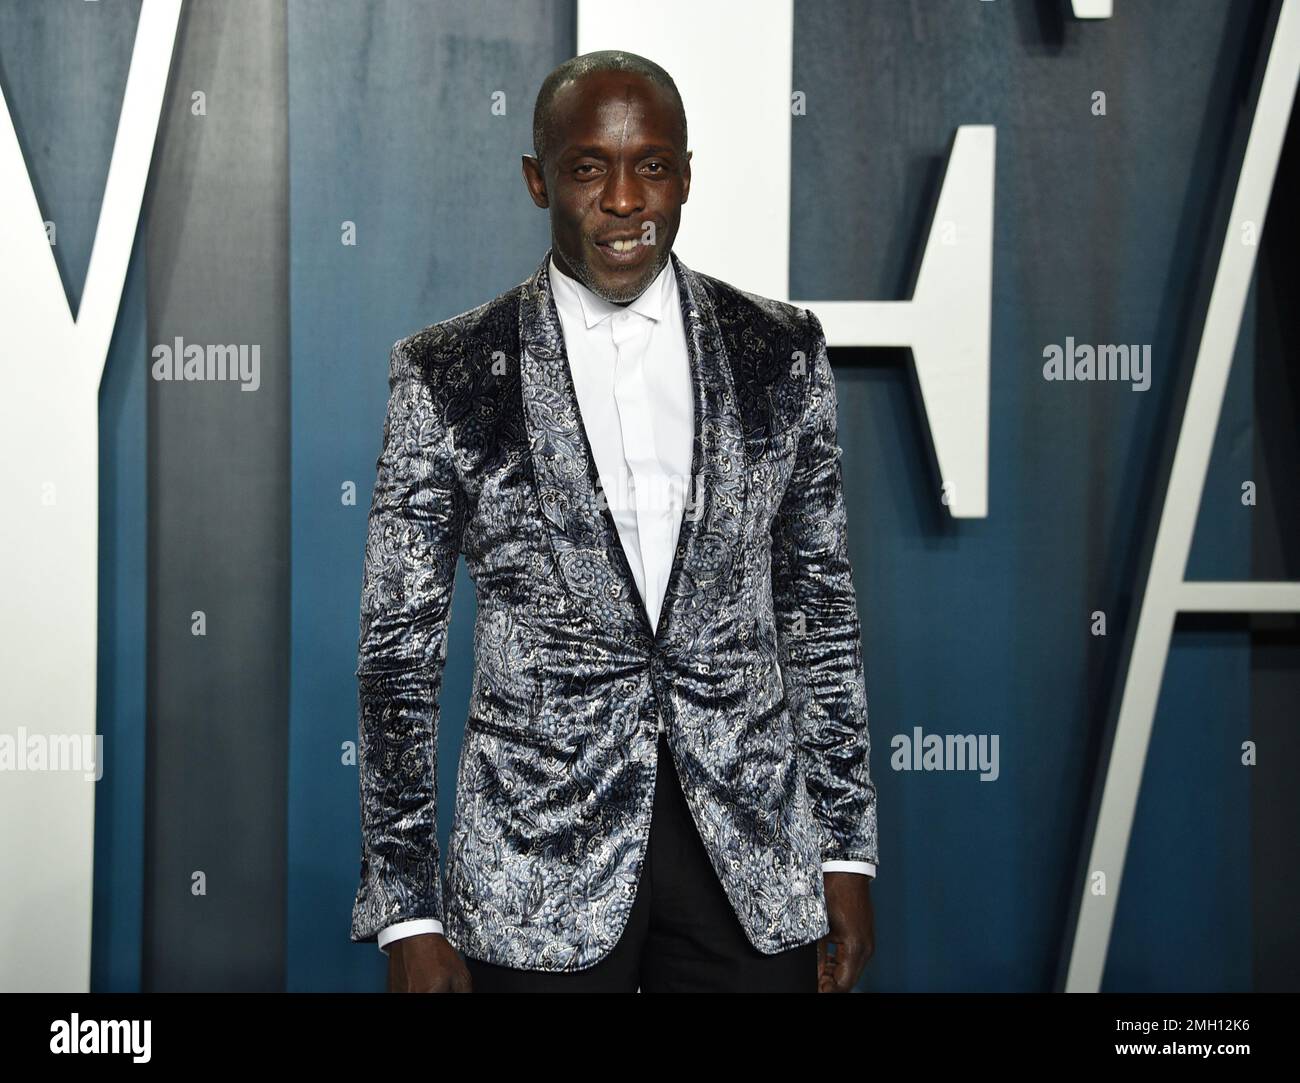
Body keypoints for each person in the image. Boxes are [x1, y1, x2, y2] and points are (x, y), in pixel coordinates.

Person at [350, 49, 877, 993]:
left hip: (751, 857)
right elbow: (398, 656)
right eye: (589, 168)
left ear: (685, 175)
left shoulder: (779, 352)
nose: (626, 199)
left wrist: (847, 850)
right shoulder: (451, 371)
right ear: (536, 179)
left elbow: (820, 616)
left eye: (654, 166)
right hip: (535, 864)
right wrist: (408, 907)